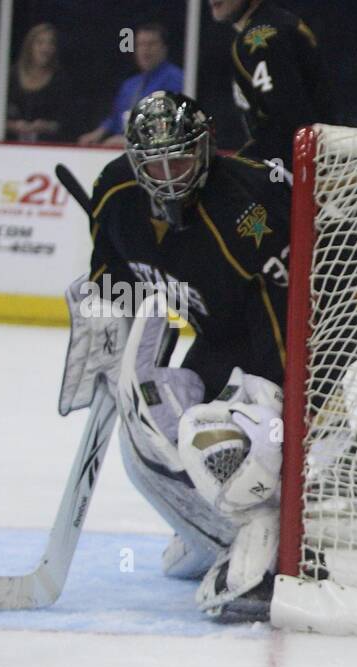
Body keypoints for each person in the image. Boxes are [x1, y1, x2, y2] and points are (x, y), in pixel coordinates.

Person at [59, 92, 292, 621]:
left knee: (227, 439)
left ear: (205, 149)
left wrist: (293, 404)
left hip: (274, 335)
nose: (168, 176)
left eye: (180, 159)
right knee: (155, 422)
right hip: (217, 334)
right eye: (155, 162)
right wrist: (106, 340)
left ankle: (269, 543)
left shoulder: (244, 209)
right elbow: (112, 278)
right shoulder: (116, 194)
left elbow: (282, 319)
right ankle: (209, 530)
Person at [207, 0, 331, 167]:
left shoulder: (259, 39)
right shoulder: (275, 22)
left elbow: (288, 121)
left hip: (306, 166)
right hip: (313, 157)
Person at [78, 22, 183, 147]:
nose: (145, 50)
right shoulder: (130, 84)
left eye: (151, 44)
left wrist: (131, 140)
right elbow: (117, 117)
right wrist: (97, 133)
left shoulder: (176, 80)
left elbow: (170, 125)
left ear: (164, 48)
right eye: (141, 44)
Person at [6, 23, 72, 143]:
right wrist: (13, 125)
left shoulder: (60, 80)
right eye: (40, 43)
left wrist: (46, 126)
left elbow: (66, 120)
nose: (45, 48)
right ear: (29, 46)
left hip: (47, 143)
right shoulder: (11, 75)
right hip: (10, 142)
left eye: (50, 43)